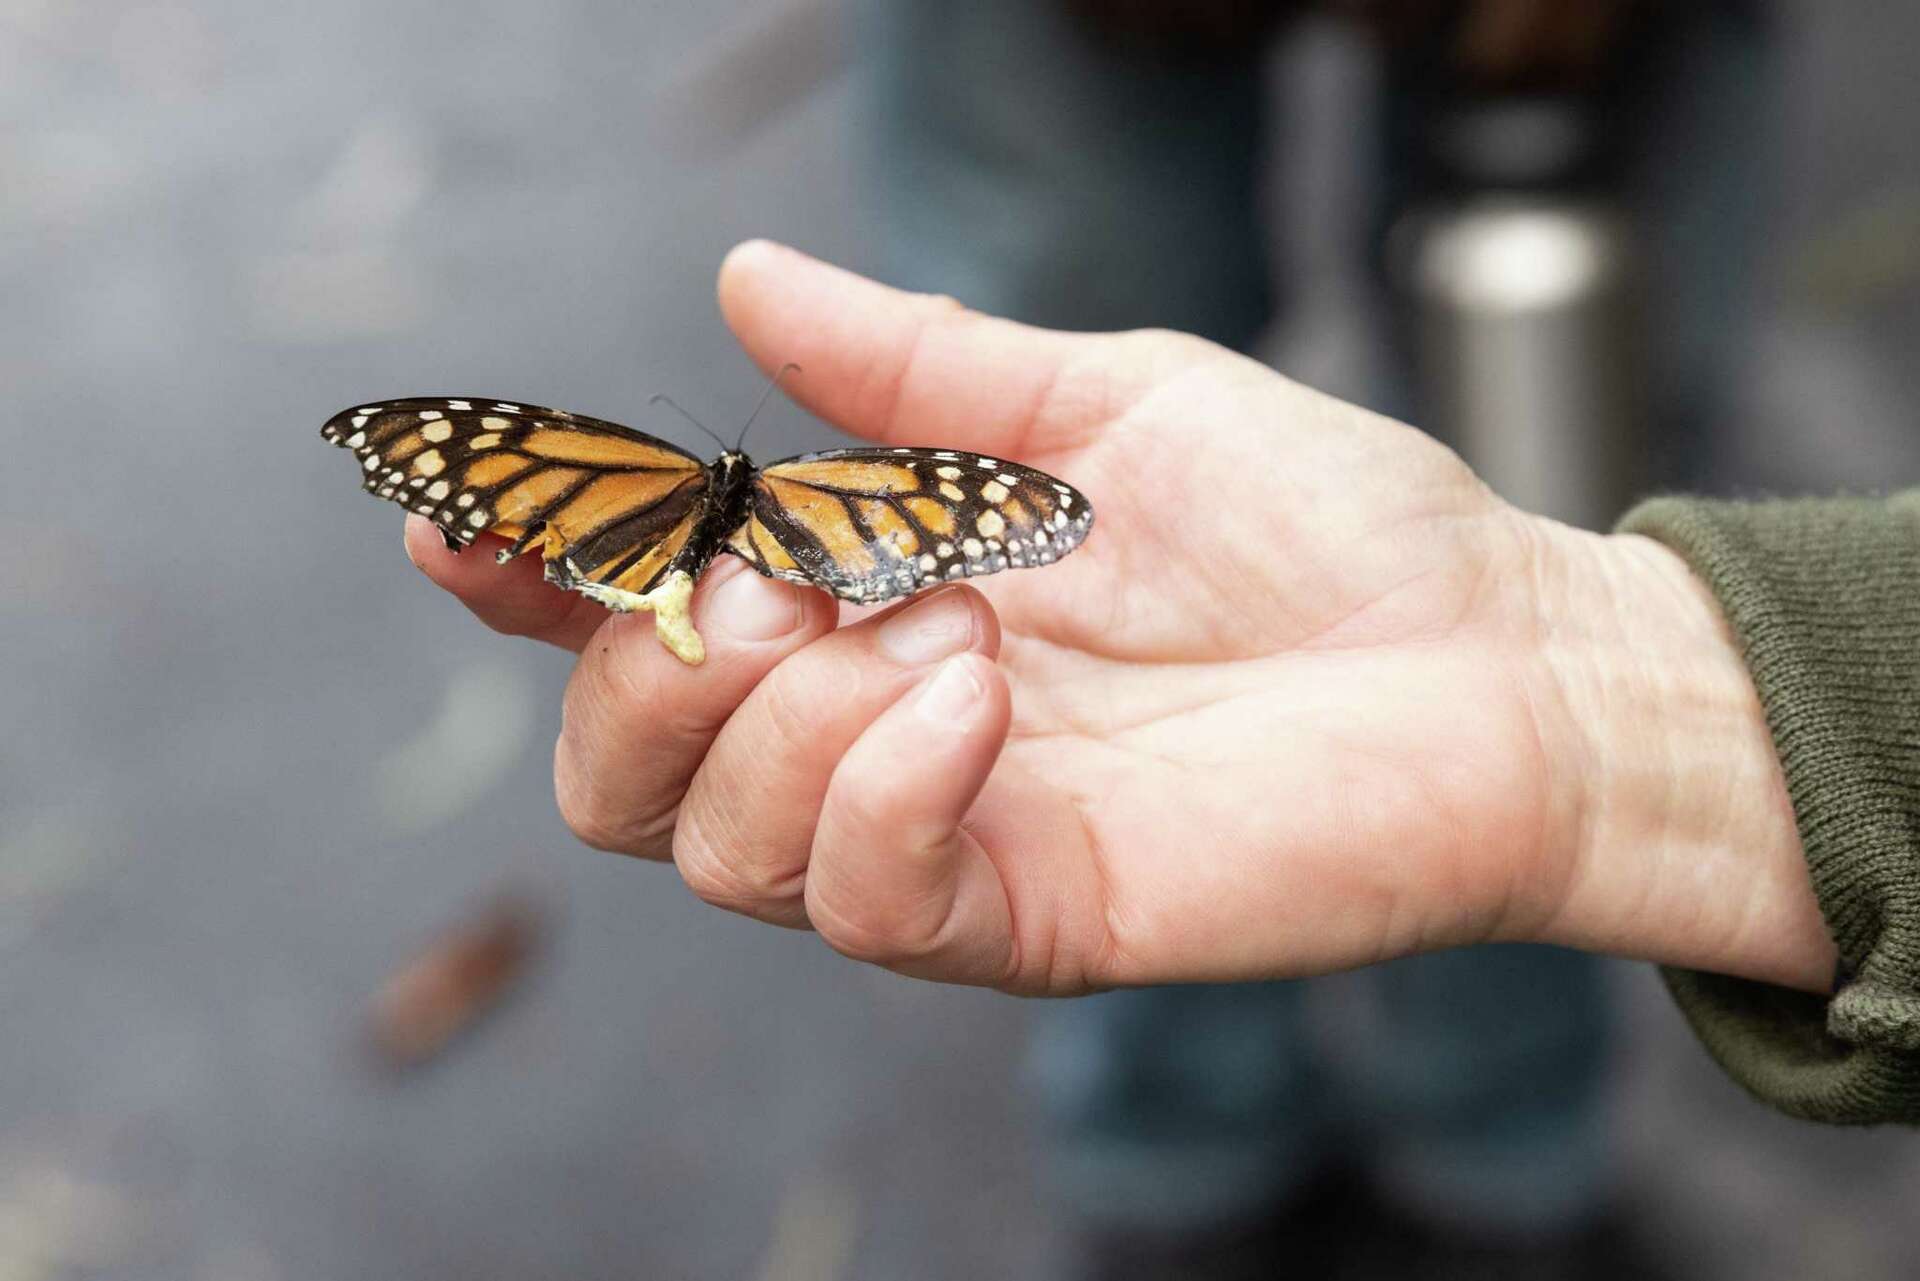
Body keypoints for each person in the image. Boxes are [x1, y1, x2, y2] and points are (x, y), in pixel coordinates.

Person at [410, 240, 1918, 1110]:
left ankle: (1320, 1156)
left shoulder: (684, 484)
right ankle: (1265, 1159)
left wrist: (1590, 707)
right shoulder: (819, 500)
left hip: (666, 551)